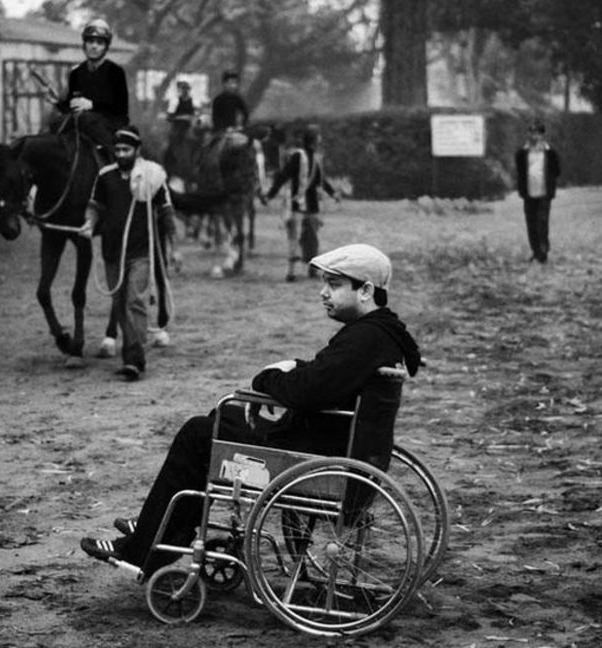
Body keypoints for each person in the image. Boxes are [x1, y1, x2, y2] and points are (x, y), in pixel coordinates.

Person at [80, 243, 422, 574]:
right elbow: (330, 378)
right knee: (223, 420)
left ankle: (144, 549)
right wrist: (297, 366)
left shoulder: (364, 339)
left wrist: (269, 377)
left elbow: (309, 391)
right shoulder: (381, 335)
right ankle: (160, 526)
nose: (324, 293)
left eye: (334, 284)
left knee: (198, 434)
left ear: (365, 290)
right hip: (335, 449)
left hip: (316, 461)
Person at [79, 126, 176, 381]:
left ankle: (134, 358)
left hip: (141, 251)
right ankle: (132, 353)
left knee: (136, 300)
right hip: (112, 251)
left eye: (126, 150)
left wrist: (174, 248)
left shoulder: (151, 176)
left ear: (137, 150)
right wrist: (89, 222)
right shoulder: (105, 176)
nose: (121, 154)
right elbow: (94, 206)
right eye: (118, 150)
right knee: (120, 303)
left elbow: (166, 212)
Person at [265, 124, 339, 282]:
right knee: (300, 236)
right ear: (314, 140)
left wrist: (333, 193)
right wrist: (271, 194)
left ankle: (304, 270)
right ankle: (295, 271)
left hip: (305, 204)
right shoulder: (300, 156)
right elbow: (284, 176)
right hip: (302, 204)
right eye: (318, 136)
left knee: (306, 237)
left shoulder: (312, 158)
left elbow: (320, 180)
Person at [56, 18, 129, 161]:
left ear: (106, 47)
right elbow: (71, 106)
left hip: (110, 124)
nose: (94, 46)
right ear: (84, 45)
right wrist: (58, 103)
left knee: (87, 119)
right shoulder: (76, 73)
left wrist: (92, 105)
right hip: (81, 123)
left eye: (99, 43)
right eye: (90, 42)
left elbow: (121, 108)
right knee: (55, 124)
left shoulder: (116, 72)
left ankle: (115, 162)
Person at [514, 119, 561, 264]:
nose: (534, 137)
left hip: (544, 193)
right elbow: (520, 168)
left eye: (537, 134)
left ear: (542, 135)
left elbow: (556, 170)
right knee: (531, 223)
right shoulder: (523, 153)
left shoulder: (550, 152)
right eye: (532, 133)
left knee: (542, 222)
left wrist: (549, 182)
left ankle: (543, 251)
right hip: (529, 192)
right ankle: (535, 251)